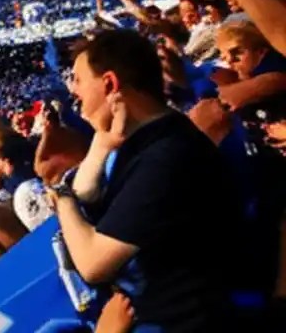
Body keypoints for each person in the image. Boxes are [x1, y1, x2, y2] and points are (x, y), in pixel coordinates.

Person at [49, 29, 239, 332]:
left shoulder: (169, 155)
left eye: (79, 80)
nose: (74, 92)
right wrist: (99, 144)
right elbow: (84, 194)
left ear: (110, 83)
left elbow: (92, 263)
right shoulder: (136, 139)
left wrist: (60, 194)